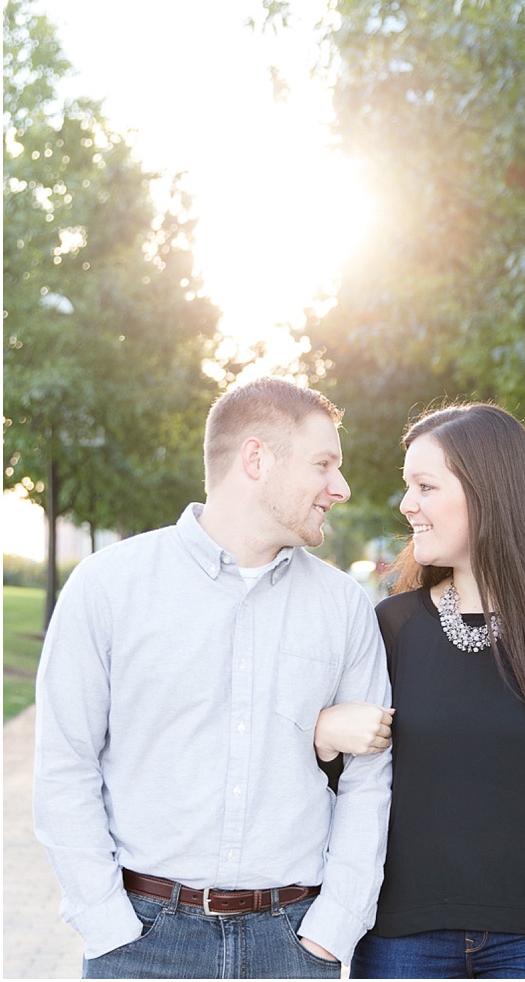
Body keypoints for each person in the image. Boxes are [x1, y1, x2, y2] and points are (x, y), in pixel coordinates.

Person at [34, 376, 393, 980]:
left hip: (294, 942)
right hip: (142, 943)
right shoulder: (108, 587)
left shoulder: (344, 605)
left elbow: (369, 782)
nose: (341, 487)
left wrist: (335, 928)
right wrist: (106, 924)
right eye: (323, 464)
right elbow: (65, 766)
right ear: (257, 458)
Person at [316, 402, 525, 980]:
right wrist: (323, 740)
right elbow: (351, 789)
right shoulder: (391, 625)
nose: (406, 504)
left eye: (425, 485)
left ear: (488, 491)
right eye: (406, 485)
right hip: (401, 942)